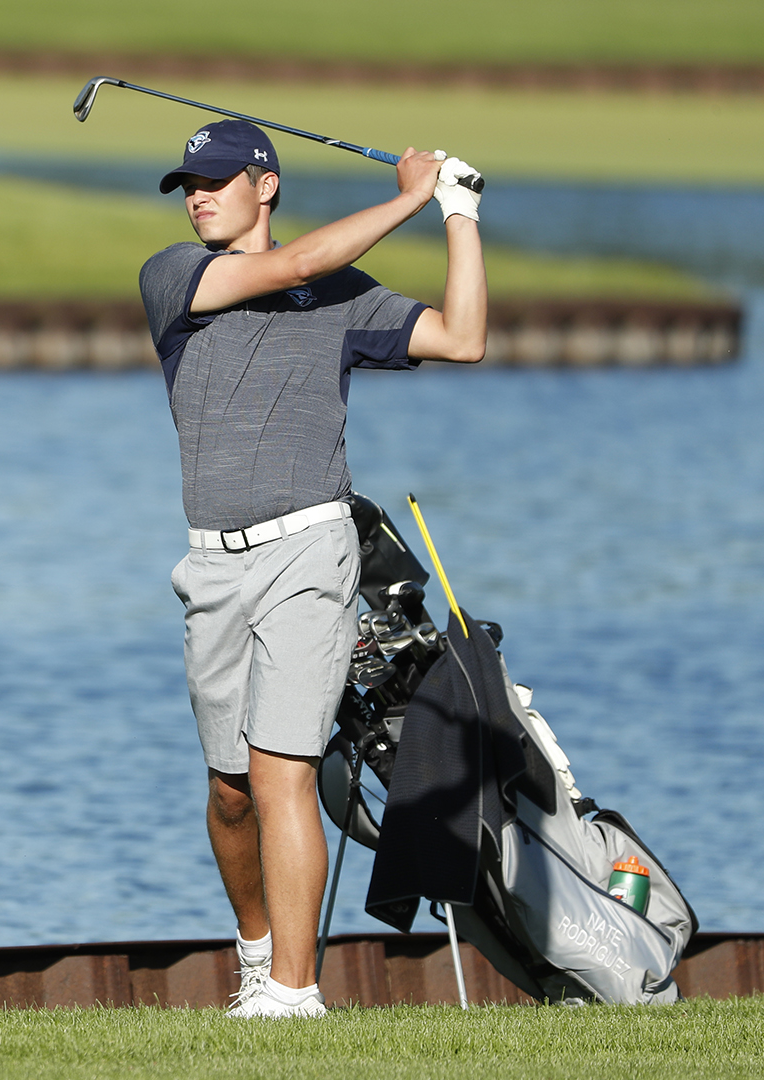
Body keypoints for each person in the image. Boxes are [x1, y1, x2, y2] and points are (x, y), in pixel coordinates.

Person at [137, 119, 487, 1019]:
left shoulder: (340, 295)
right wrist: (409, 196)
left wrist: (458, 214)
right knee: (230, 791)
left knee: (279, 769)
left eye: (216, 181)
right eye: (189, 185)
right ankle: (257, 955)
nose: (198, 197)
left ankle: (293, 995)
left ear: (267, 185)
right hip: (212, 566)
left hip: (310, 550)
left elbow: (462, 338)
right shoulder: (174, 276)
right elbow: (292, 264)